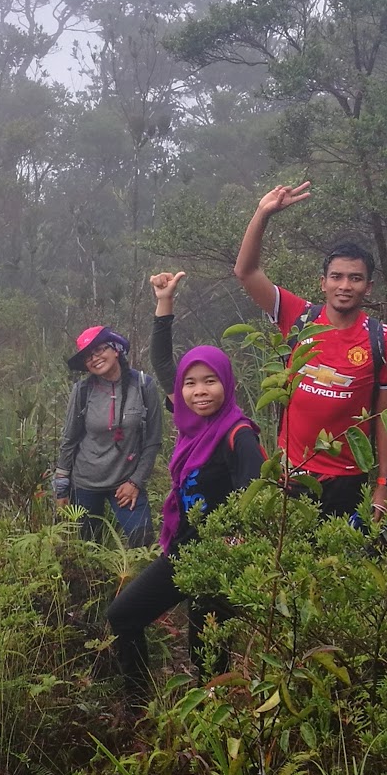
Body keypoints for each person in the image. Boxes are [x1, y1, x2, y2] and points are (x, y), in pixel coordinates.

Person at [106, 271, 264, 706]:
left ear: (225, 383)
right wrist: (164, 304)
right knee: (124, 615)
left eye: (210, 381)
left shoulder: (237, 433)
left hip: (219, 555)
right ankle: (138, 703)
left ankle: (213, 731)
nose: (199, 392)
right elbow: (162, 365)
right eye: (191, 384)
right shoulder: (196, 422)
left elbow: (255, 495)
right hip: (184, 549)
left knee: (207, 653)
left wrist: (234, 545)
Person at [233, 182, 387, 519]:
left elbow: (386, 417)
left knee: (339, 567)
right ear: (322, 282)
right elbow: (246, 271)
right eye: (336, 276)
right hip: (291, 473)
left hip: (347, 478)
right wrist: (262, 213)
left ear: (368, 286)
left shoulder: (383, 339)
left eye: (355, 278)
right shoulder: (298, 318)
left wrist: (386, 483)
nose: (345, 286)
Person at [53, 325, 162, 547]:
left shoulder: (143, 385)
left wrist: (136, 482)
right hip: (85, 483)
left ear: (116, 349)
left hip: (125, 482)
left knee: (143, 542)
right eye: (87, 356)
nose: (94, 358)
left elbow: (153, 441)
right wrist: (61, 487)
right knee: (89, 548)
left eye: (99, 350)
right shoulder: (83, 391)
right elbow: (70, 440)